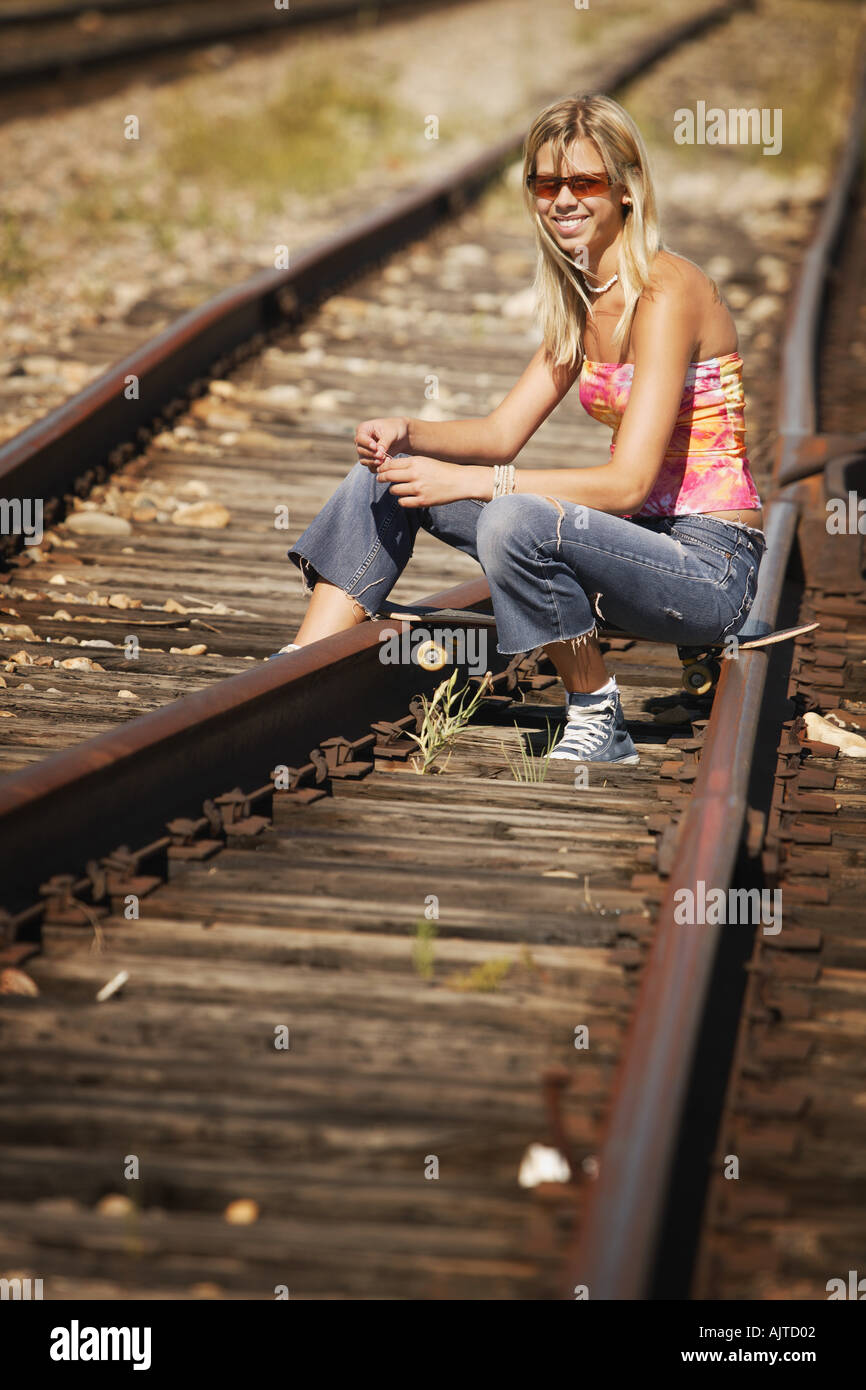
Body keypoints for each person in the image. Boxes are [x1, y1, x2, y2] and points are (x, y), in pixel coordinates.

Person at [279, 94, 765, 766]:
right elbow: (503, 432)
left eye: (585, 182)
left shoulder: (665, 292)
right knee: (387, 480)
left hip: (707, 569)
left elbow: (627, 483)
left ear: (626, 191)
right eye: (546, 183)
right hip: (632, 554)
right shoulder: (583, 294)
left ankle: (600, 720)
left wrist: (476, 484)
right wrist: (408, 431)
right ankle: (300, 673)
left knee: (516, 520)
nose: (563, 199)